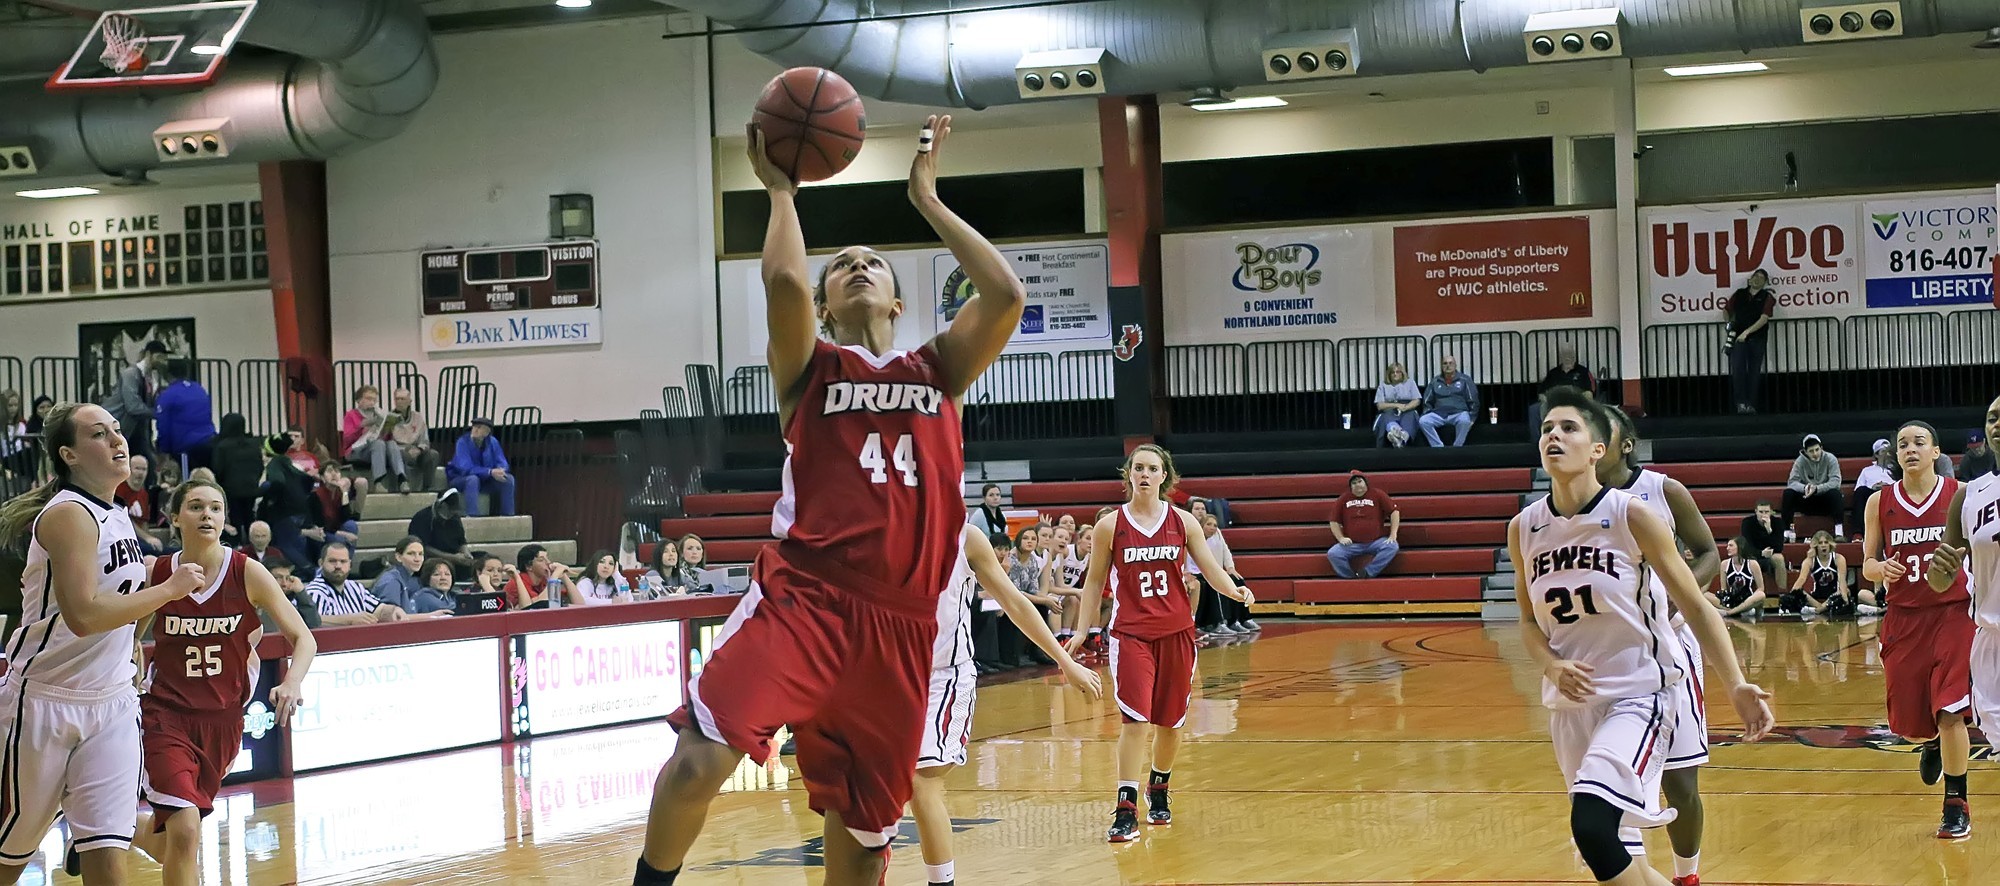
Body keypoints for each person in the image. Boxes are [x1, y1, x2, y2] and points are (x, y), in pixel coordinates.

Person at [636, 115, 1025, 886]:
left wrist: (928, 202)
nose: (857, 266)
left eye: (873, 263)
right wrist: (780, 190)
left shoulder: (937, 370)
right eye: (841, 263)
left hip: (900, 626)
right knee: (695, 765)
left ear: (897, 302)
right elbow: (783, 281)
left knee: (861, 842)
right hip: (806, 598)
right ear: (824, 300)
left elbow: (1005, 293)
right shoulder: (809, 369)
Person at [1509, 389, 1771, 886]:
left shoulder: (1633, 513)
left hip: (1638, 695)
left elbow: (1695, 603)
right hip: (1571, 706)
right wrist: (1550, 665)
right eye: (1547, 429)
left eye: (1569, 428)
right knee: (1611, 855)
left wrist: (1735, 684)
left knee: (1592, 826)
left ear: (1598, 450)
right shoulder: (1524, 527)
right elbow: (1526, 622)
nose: (1553, 436)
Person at [0, 403, 206, 883]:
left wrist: (131, 640)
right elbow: (84, 615)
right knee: (10, 857)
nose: (118, 440)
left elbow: (120, 602)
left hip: (112, 704)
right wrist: (170, 589)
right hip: (45, 702)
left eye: (117, 430)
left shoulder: (116, 515)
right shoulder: (67, 514)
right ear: (69, 454)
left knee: (108, 855)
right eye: (99, 434)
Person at [131, 480, 315, 886]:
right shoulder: (158, 573)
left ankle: (115, 830)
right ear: (175, 517)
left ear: (226, 518)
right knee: (184, 827)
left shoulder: (247, 572)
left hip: (224, 722)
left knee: (179, 840)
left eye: (216, 508)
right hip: (166, 716)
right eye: (196, 507)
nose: (207, 515)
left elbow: (304, 638)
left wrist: (292, 682)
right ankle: (111, 830)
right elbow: (131, 635)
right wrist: (133, 660)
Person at [1067, 445, 1253, 844]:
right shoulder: (1109, 526)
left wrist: (1236, 591)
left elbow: (1209, 569)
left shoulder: (1183, 522)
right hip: (1131, 633)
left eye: (1153, 468)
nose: (1145, 474)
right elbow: (1094, 583)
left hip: (1177, 633)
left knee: (1170, 723)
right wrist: (1082, 631)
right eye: (1139, 468)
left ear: (1164, 475)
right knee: (1136, 720)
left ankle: (1160, 786)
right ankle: (1126, 807)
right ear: (1129, 474)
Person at [911, 525, 1102, 886]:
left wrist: (1065, 661)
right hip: (889, 676)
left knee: (922, 780)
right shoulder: (876, 530)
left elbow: (1015, 603)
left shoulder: (964, 537)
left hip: (944, 676)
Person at [1595, 404, 1723, 886]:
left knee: (1680, 783)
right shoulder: (1567, 507)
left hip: (1670, 651)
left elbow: (1708, 552)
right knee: (1611, 782)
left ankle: (1687, 876)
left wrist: (1678, 597)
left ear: (1624, 444)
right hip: (1608, 656)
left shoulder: (1663, 490)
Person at [1865, 419, 1975, 839]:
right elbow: (1870, 563)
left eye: (1919, 443)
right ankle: (1928, 743)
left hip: (1952, 612)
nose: (1910, 449)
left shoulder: (1958, 495)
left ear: (1936, 453)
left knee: (1950, 709)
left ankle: (1956, 803)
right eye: (1902, 444)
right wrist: (1881, 569)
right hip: (1904, 617)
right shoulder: (1880, 501)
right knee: (1913, 723)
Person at [1928, 395, 2000, 838]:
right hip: (1991, 640)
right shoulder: (1970, 496)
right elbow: (1943, 580)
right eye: (1993, 417)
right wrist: (1941, 571)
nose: (1998, 424)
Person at [1326, 470, 1400, 579]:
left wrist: (1393, 534)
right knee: (1334, 553)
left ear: (1366, 483)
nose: (1357, 485)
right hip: (1352, 544)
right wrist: (1340, 538)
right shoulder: (1344, 498)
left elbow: (1394, 512)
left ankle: (1368, 572)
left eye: (1359, 481)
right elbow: (1333, 521)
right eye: (1354, 483)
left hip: (1376, 541)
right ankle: (1349, 577)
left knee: (1392, 546)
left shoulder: (1377, 494)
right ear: (1350, 486)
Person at [104, 341, 168, 463]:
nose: (162, 361)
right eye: (159, 357)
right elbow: (133, 406)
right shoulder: (131, 374)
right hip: (122, 428)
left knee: (147, 464)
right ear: (149, 354)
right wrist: (159, 414)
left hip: (136, 431)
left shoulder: (151, 378)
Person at [1723, 269, 1775, 414]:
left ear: (1765, 282)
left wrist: (1747, 332)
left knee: (1754, 372)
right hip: (1738, 339)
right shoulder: (1739, 294)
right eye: (1755, 276)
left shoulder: (1767, 297)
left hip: (1757, 339)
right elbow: (1726, 310)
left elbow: (1764, 319)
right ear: (1750, 279)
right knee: (1738, 371)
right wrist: (1729, 325)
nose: (1757, 279)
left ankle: (1751, 404)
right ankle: (1740, 403)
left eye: (1761, 278)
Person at [151, 360, 214, 476]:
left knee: (189, 484)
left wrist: (164, 450)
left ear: (168, 374)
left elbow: (163, 426)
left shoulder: (168, 395)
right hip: (209, 441)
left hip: (186, 447)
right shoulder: (199, 389)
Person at [340, 385, 407, 493]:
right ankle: (378, 482)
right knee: (378, 444)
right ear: (358, 400)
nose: (371, 402)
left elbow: (386, 438)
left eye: (374, 400)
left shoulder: (378, 414)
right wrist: (363, 426)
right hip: (356, 450)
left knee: (391, 444)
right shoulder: (351, 415)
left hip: (375, 449)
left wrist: (389, 428)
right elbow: (347, 439)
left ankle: (402, 479)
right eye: (368, 398)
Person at [1526, 342, 1598, 436]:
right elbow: (1541, 393)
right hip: (1554, 403)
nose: (1568, 357)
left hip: (1575, 403)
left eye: (1570, 355)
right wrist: (1546, 400)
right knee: (1534, 409)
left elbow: (1589, 393)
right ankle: (1537, 442)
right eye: (1565, 355)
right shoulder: (1553, 373)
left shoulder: (1583, 371)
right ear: (1560, 357)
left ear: (1574, 356)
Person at [447, 418, 515, 517]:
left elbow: (502, 461)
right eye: (474, 427)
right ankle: (472, 515)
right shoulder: (462, 442)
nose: (475, 430)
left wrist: (501, 470)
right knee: (472, 480)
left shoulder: (493, 442)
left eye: (479, 428)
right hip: (460, 479)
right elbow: (465, 468)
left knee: (508, 479)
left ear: (487, 432)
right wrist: (489, 472)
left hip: (485, 480)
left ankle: (508, 516)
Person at [1781, 434, 1844, 539]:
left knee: (1836, 494)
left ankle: (1839, 533)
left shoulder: (1831, 459)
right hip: (1807, 499)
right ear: (1805, 452)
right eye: (1811, 451)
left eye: (1817, 450)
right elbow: (1792, 482)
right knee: (1788, 493)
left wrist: (1817, 489)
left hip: (1825, 499)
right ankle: (1786, 533)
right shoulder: (1799, 462)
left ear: (1821, 448)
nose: (1815, 454)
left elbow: (1835, 482)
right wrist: (1805, 488)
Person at [1788, 531, 1853, 617]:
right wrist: (1792, 594)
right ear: (1816, 546)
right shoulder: (1809, 561)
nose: (1823, 545)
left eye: (1826, 542)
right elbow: (1801, 579)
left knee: (1845, 591)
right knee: (1799, 592)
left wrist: (1845, 600)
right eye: (1820, 543)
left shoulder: (1839, 558)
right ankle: (1822, 608)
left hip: (1834, 595)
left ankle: (1818, 610)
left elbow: (1842, 581)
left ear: (1830, 544)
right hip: (1816, 596)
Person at [1418, 355, 1479, 447]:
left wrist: (1472, 417)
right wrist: (1426, 412)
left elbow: (1473, 400)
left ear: (1455, 365)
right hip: (1439, 414)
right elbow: (1427, 400)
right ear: (1442, 366)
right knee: (1423, 421)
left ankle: (1457, 447)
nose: (1448, 366)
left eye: (1451, 363)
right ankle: (1438, 446)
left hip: (1458, 413)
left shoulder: (1465, 380)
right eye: (1445, 363)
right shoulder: (1435, 381)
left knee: (1465, 420)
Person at [1708, 538, 1767, 617]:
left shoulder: (1752, 564)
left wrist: (1753, 599)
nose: (1727, 548)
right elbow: (1723, 589)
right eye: (1727, 545)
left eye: (1731, 545)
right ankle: (1733, 611)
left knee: (1761, 595)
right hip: (1731, 600)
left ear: (1740, 547)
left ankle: (1730, 613)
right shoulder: (1724, 564)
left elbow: (1760, 588)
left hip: (1747, 600)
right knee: (1706, 595)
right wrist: (1725, 600)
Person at [1737, 502, 1789, 593]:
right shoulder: (1747, 523)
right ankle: (1754, 596)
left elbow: (1779, 547)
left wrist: (1769, 530)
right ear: (1756, 511)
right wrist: (1761, 553)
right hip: (1754, 556)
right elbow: (1746, 546)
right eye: (1761, 512)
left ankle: (1783, 595)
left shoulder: (1777, 523)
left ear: (1771, 512)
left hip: (1770, 556)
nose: (1763, 515)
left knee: (1779, 558)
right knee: (1752, 561)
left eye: (1766, 512)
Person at [1372, 362, 1421, 448]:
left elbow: (1417, 400)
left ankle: (1400, 437)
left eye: (1398, 372)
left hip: (1407, 409)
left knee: (1411, 416)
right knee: (1385, 416)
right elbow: (1380, 405)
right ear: (1389, 374)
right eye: (1392, 372)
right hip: (1390, 410)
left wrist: (1406, 407)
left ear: (1402, 373)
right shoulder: (1383, 385)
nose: (1395, 374)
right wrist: (1396, 405)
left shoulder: (1410, 383)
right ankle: (1396, 432)